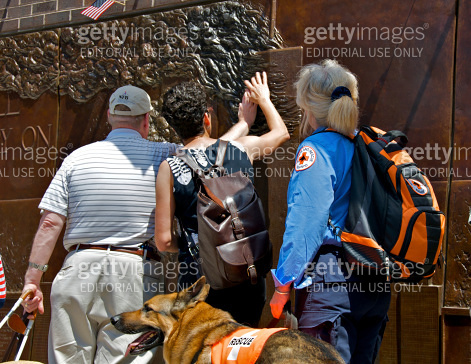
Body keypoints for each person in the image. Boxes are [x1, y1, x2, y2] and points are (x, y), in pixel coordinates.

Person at [20, 85, 178, 364]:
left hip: (77, 268)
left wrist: (32, 282)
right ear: (145, 120)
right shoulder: (165, 154)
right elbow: (211, 153)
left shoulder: (75, 159)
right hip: (133, 272)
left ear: (109, 116)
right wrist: (243, 125)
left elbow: (50, 223)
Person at [269, 60, 391, 364]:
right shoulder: (369, 146)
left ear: (309, 108)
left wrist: (283, 286)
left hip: (331, 284)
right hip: (375, 281)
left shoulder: (316, 149)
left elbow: (305, 224)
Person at [154, 72, 289, 327]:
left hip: (200, 283)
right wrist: (263, 100)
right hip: (246, 275)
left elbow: (163, 241)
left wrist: (199, 245)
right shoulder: (242, 148)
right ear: (206, 117)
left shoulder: (169, 168)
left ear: (173, 126)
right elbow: (280, 133)